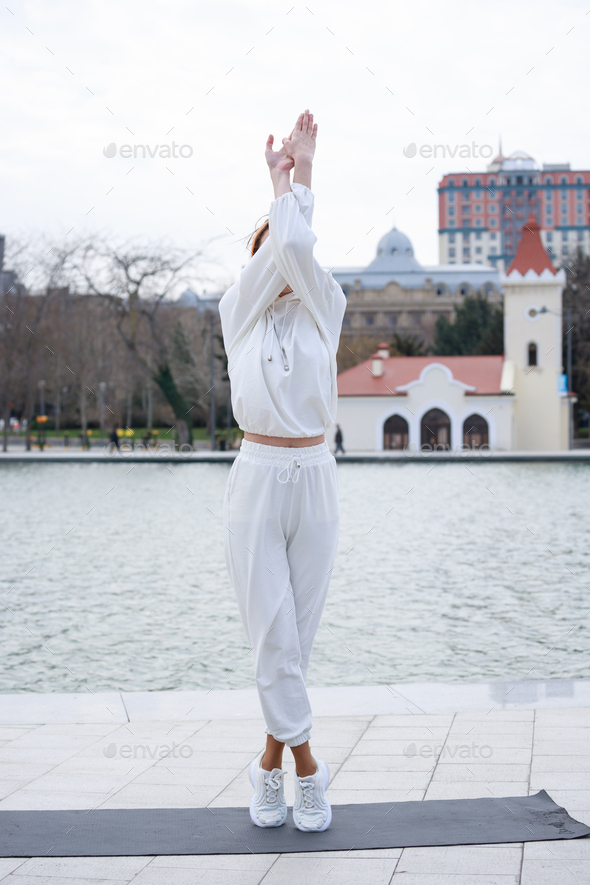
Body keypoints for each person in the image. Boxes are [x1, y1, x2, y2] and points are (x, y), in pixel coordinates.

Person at [219, 110, 346, 833]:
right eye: (269, 253)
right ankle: (306, 770)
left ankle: (267, 761)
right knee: (273, 632)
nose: (284, 264)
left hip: (316, 476)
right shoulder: (237, 310)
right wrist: (284, 184)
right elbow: (281, 244)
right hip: (258, 475)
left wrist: (298, 175)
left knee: (295, 636)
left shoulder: (329, 307)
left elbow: (298, 244)